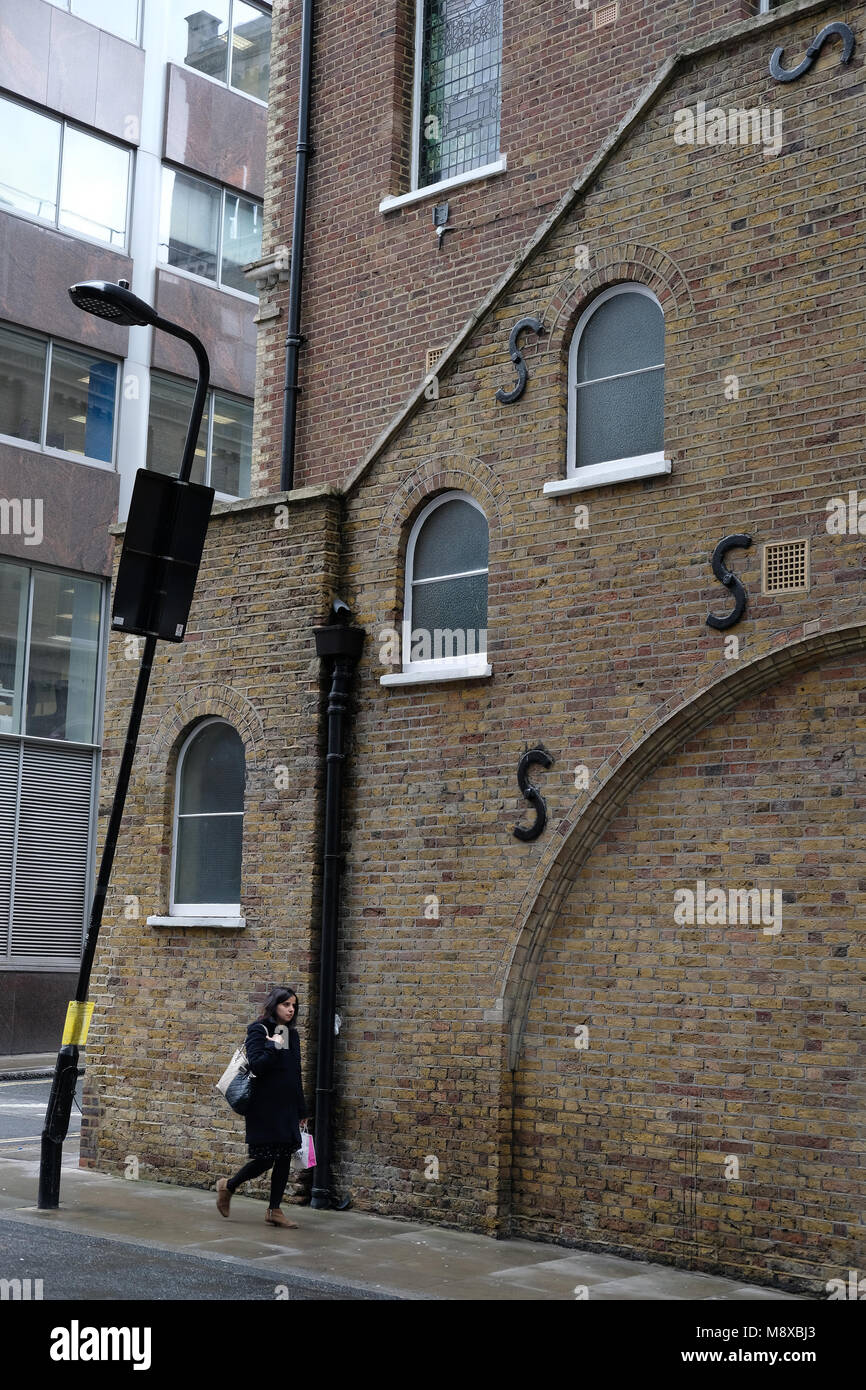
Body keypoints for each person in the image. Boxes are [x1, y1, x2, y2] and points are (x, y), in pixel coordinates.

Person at [216, 986, 308, 1228]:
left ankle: (274, 1210)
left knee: (284, 1157)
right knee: (265, 1159)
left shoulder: (291, 1033)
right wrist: (274, 1045)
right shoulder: (258, 1030)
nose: (290, 1009)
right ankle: (229, 1186)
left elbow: (294, 1073)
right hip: (264, 1106)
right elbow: (257, 1066)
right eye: (286, 1005)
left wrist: (302, 1110)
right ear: (274, 1005)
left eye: (293, 1006)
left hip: (287, 1105)